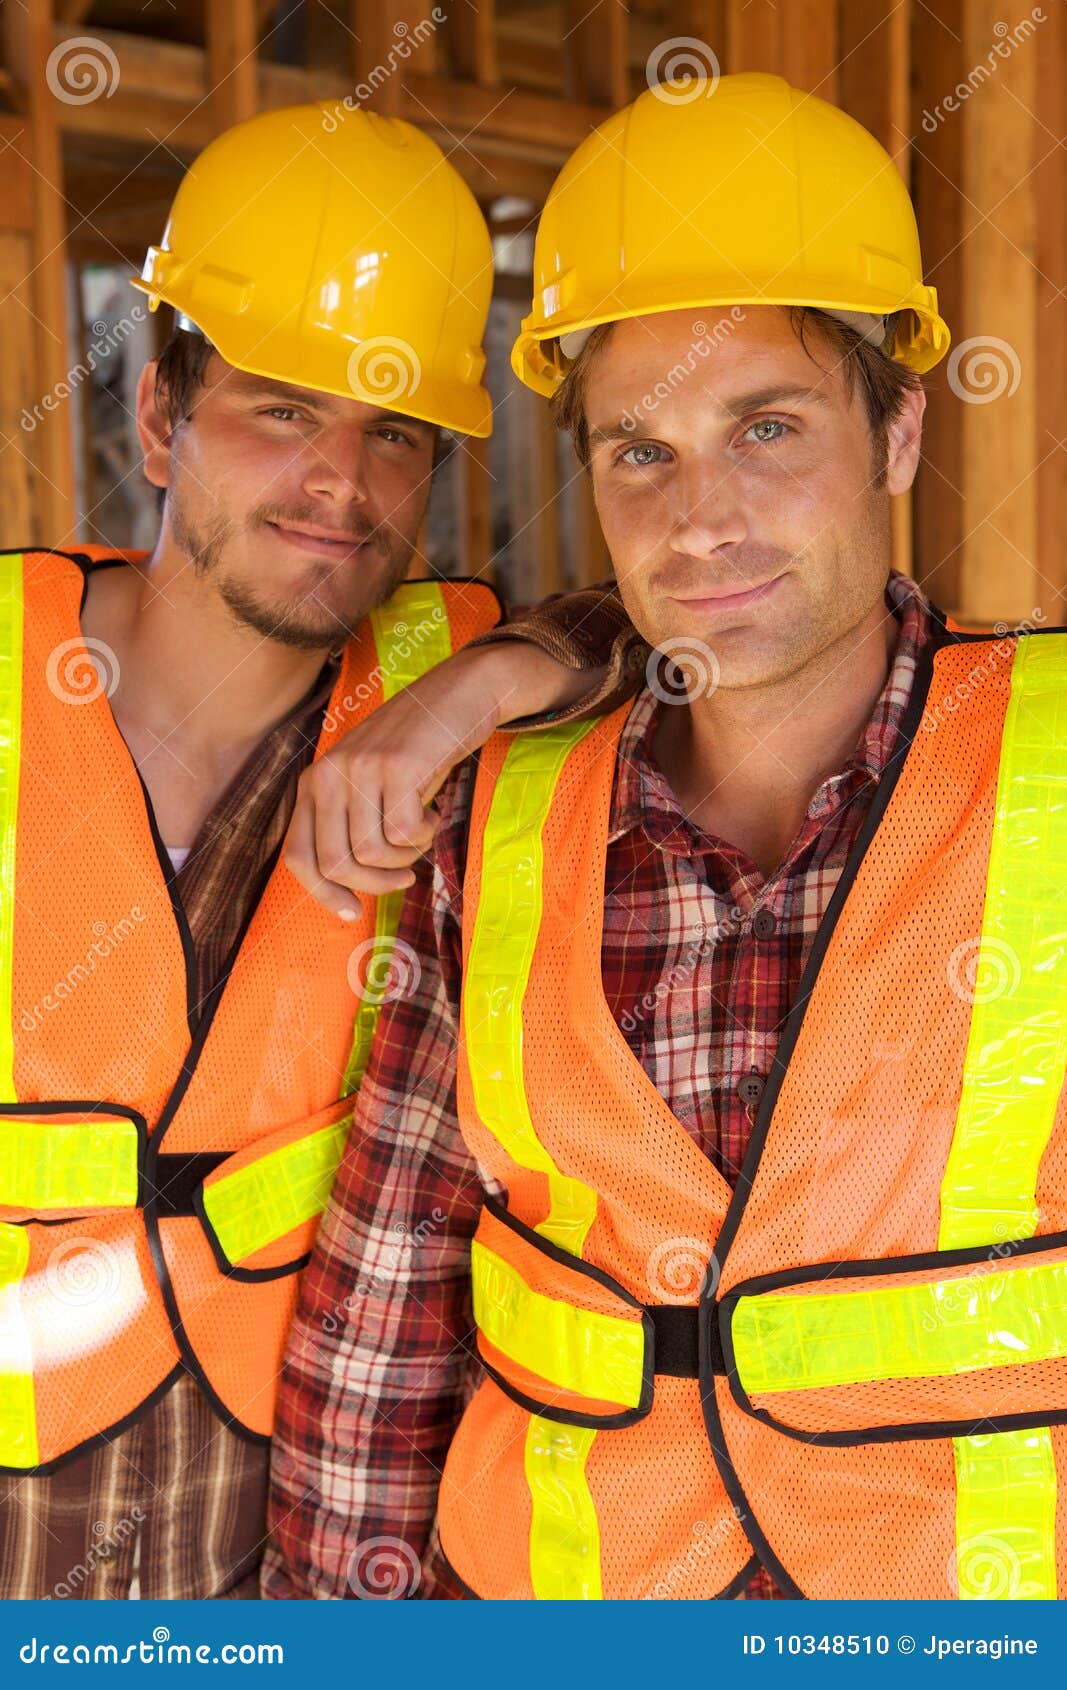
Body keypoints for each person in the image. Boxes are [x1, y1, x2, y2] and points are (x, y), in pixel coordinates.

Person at [269, 74, 1067, 1602]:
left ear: (899, 431)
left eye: (766, 426)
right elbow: (382, 1323)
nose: (701, 519)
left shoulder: (1051, 775)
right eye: (641, 452)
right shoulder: (499, 822)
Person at [0, 99, 590, 1601]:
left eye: (395, 431)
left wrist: (484, 682)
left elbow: (664, 636)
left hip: (289, 1548)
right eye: (280, 407)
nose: (343, 481)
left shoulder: (444, 676)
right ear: (154, 416)